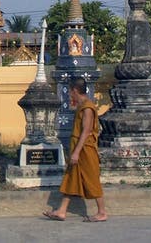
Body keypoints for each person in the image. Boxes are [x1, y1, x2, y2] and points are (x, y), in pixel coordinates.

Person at [43, 77, 108, 222]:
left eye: (70, 91)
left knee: (91, 179)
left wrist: (77, 152)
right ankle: (61, 211)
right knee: (71, 178)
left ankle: (102, 212)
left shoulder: (88, 108)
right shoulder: (81, 105)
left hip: (85, 150)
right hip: (78, 147)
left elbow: (86, 131)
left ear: (74, 90)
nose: (69, 94)